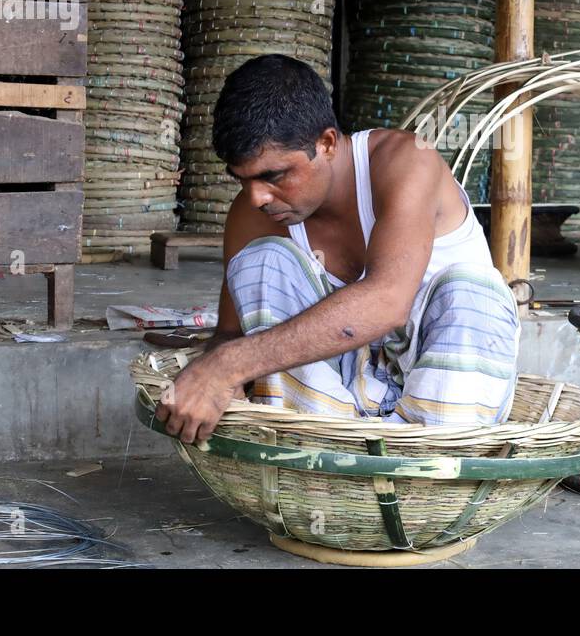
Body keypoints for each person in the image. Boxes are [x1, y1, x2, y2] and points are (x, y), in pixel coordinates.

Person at [154, 54, 520, 444]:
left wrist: (226, 367)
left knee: (472, 291)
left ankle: (419, 465)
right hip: (335, 412)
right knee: (263, 262)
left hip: (442, 404)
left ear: (327, 143)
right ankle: (330, 452)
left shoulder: (407, 160)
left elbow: (387, 300)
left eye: (273, 175)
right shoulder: (252, 214)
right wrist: (216, 372)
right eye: (242, 180)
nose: (257, 196)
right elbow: (231, 332)